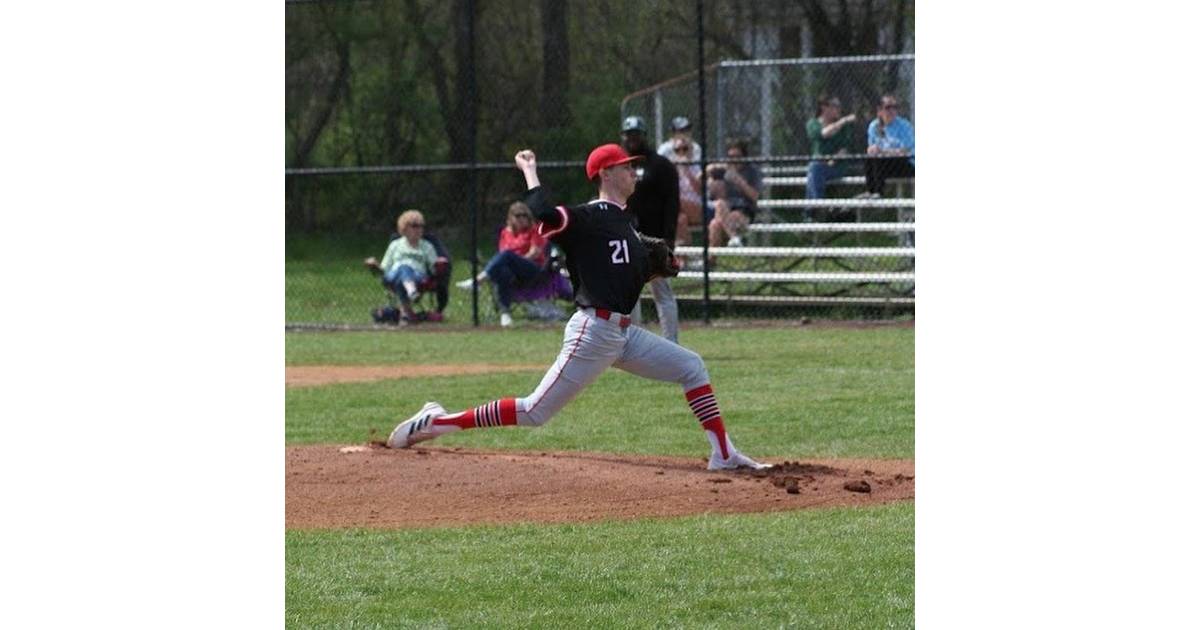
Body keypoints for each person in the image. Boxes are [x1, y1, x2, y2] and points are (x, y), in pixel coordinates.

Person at [386, 144, 770, 472]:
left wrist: (650, 269)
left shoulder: (625, 223)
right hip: (593, 331)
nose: (633, 171)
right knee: (534, 411)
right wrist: (530, 171)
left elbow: (624, 279)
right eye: (625, 166)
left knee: (692, 366)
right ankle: (437, 421)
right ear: (606, 173)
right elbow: (547, 215)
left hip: (622, 334)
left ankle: (723, 453)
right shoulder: (591, 215)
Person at [620, 115, 681, 343]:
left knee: (661, 290)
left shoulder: (660, 165)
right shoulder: (620, 167)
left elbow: (672, 203)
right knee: (631, 291)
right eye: (629, 135)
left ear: (644, 136)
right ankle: (632, 341)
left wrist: (669, 237)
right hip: (628, 237)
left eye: (636, 135)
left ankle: (671, 342)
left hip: (655, 238)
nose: (632, 139)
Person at [456, 201, 549, 328]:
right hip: (511, 271)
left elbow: (535, 252)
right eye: (518, 216)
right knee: (502, 273)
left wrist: (516, 260)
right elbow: (501, 256)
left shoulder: (535, 230)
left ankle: (477, 281)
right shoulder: (505, 233)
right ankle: (505, 315)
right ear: (511, 218)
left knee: (507, 255)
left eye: (524, 216)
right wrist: (512, 261)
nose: (522, 219)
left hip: (532, 268)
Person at [363, 210, 442, 322]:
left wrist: (440, 265)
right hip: (393, 275)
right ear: (404, 228)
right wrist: (374, 265)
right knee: (402, 268)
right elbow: (385, 268)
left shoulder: (427, 247)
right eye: (415, 226)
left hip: (417, 276)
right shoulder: (395, 245)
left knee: (402, 273)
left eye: (421, 226)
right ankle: (411, 295)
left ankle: (406, 312)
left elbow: (434, 269)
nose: (419, 229)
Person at [706, 138, 762, 248]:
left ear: (744, 157)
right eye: (730, 157)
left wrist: (738, 181)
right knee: (715, 221)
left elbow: (755, 196)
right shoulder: (725, 169)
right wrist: (710, 170)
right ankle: (733, 239)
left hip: (744, 211)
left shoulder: (752, 171)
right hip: (725, 210)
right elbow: (702, 176)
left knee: (720, 220)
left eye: (737, 157)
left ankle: (733, 239)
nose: (733, 160)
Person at [805, 95, 857, 204]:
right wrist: (842, 121)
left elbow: (844, 149)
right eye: (835, 106)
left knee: (814, 170)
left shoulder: (844, 127)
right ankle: (816, 208)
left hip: (837, 166)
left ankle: (815, 208)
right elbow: (823, 134)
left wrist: (832, 161)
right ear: (824, 107)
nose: (839, 109)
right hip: (819, 165)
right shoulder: (813, 123)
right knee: (815, 169)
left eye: (839, 106)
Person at [864, 94, 915, 197]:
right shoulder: (874, 126)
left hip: (906, 164)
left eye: (895, 107)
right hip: (883, 165)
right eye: (888, 107)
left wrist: (883, 152)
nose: (892, 111)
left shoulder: (904, 125)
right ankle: (871, 192)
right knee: (870, 159)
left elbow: (905, 151)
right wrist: (871, 149)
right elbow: (871, 148)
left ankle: (878, 193)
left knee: (879, 160)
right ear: (880, 110)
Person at [671, 137, 705, 249]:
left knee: (675, 202)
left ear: (690, 150)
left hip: (699, 209)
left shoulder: (697, 167)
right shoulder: (672, 170)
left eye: (684, 149)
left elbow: (701, 192)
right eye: (677, 150)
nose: (681, 152)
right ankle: (686, 257)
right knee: (680, 219)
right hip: (679, 211)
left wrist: (687, 170)